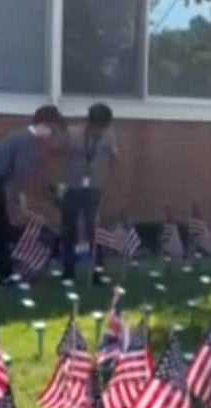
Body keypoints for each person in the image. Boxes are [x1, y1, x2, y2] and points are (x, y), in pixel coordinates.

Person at [0, 105, 67, 290]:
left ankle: (4, 276)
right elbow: (21, 173)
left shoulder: (23, 136)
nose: (52, 135)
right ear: (44, 124)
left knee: (2, 230)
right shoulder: (27, 140)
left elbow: (23, 173)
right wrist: (22, 201)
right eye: (53, 130)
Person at [58, 103, 119, 284]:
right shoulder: (72, 134)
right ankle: (69, 272)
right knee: (69, 230)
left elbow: (115, 159)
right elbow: (56, 155)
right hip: (71, 188)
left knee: (94, 230)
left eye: (103, 126)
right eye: (97, 126)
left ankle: (97, 272)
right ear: (90, 122)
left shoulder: (108, 137)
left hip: (93, 189)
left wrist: (110, 184)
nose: (99, 130)